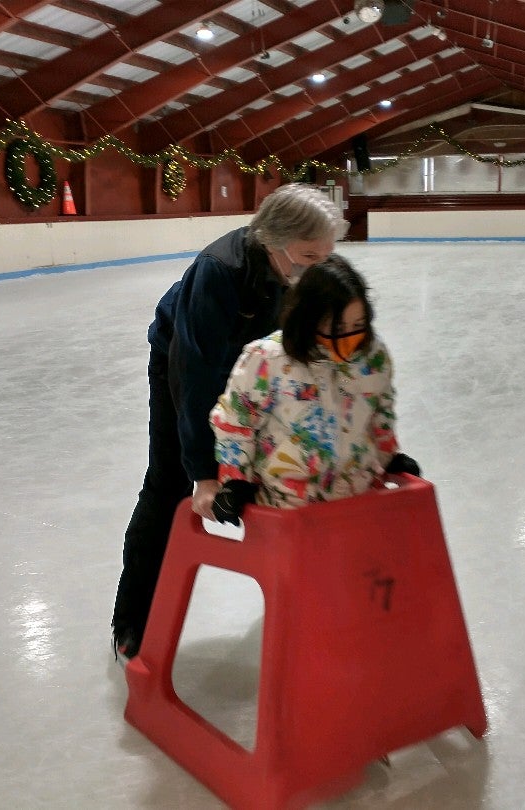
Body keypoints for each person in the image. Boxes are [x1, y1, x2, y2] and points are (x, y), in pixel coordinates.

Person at [112, 184, 346, 661]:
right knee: (167, 484)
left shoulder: (306, 271)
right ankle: (132, 621)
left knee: (290, 475)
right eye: (307, 255)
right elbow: (193, 373)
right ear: (274, 241)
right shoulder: (220, 270)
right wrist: (202, 472)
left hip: (256, 368)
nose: (316, 267)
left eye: (325, 256)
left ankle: (303, 596)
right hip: (187, 361)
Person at [208, 254, 419, 525]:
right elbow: (235, 421)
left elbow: (381, 412)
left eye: (358, 326)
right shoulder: (267, 360)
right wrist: (235, 480)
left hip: (358, 499)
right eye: (338, 327)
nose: (350, 339)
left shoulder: (372, 357)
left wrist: (389, 456)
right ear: (310, 318)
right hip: (289, 508)